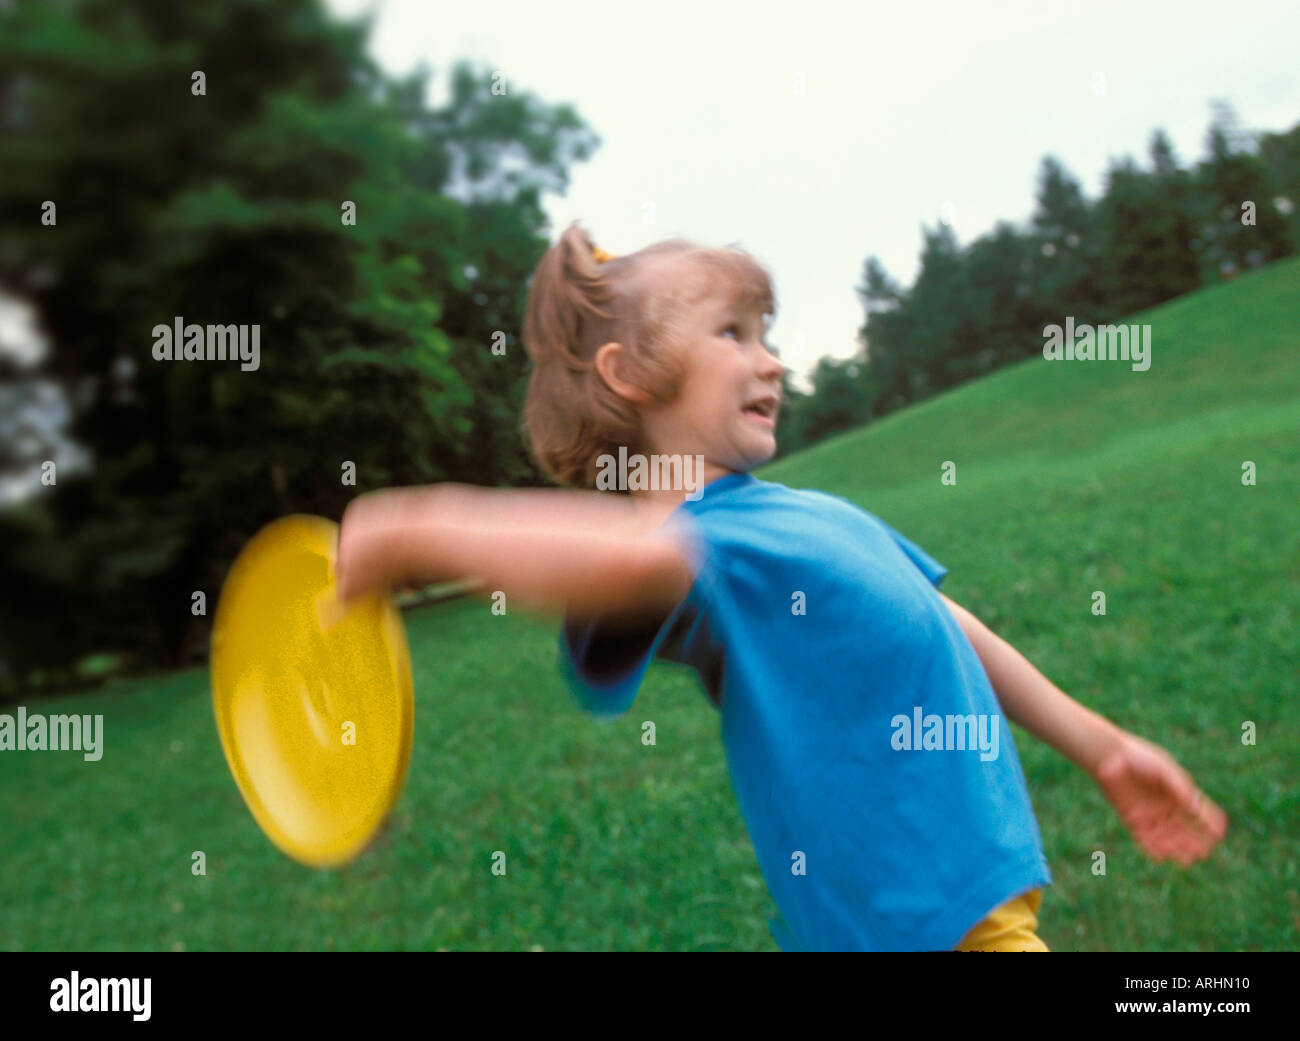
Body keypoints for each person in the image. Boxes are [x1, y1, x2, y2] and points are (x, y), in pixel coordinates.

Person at [334, 221, 1228, 951]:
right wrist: (413, 529)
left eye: (767, 334)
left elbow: (943, 620)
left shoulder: (803, 515)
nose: (772, 361)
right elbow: (629, 560)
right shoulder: (703, 546)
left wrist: (1102, 745)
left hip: (971, 900)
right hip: (919, 925)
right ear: (630, 375)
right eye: (732, 334)